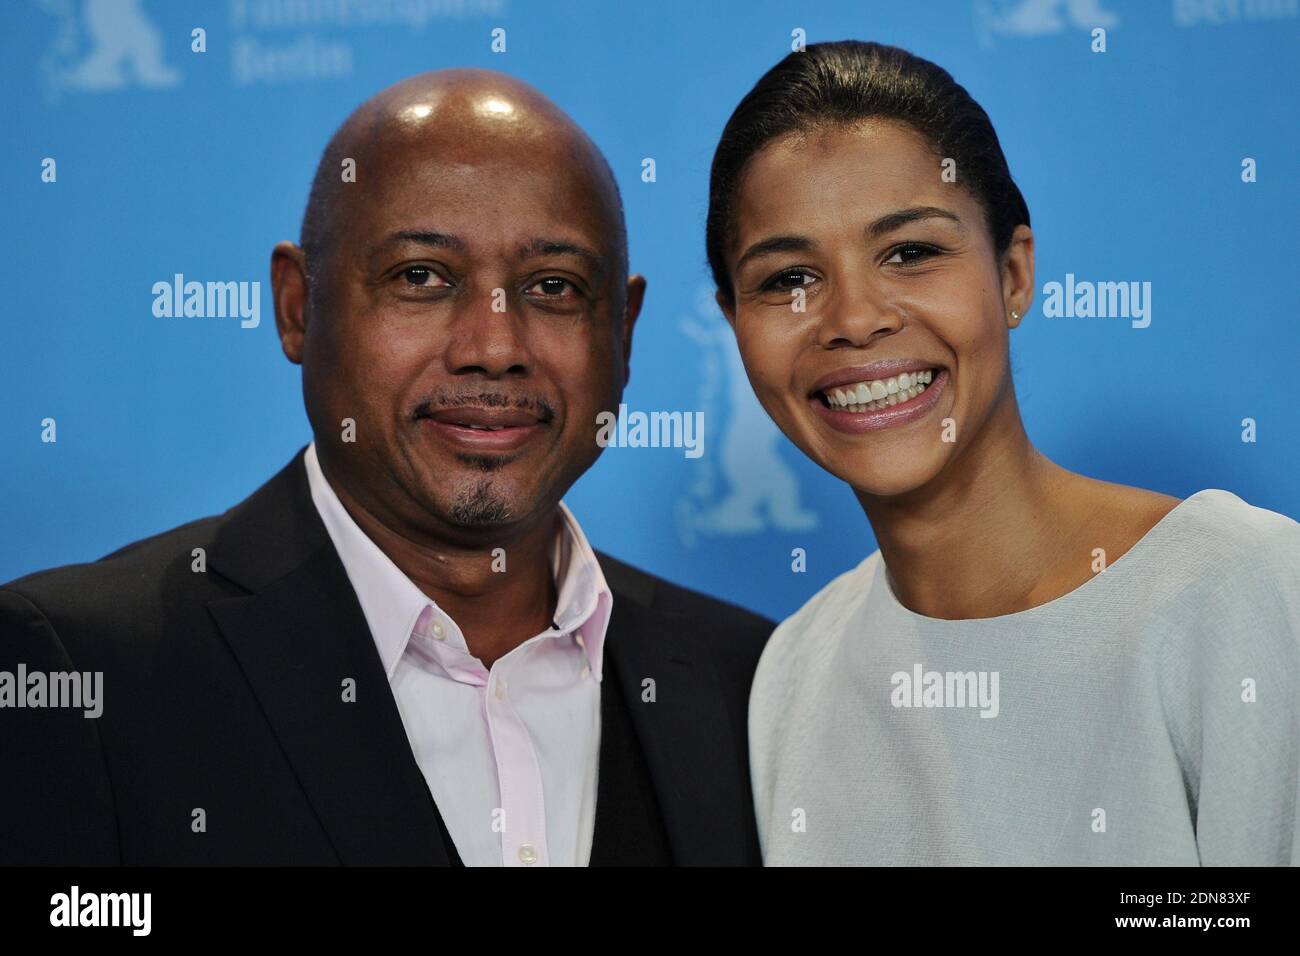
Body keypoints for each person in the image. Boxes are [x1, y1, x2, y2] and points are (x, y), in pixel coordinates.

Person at [0, 69, 771, 866]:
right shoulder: (81, 668)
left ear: (625, 333)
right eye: (421, 277)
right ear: (298, 307)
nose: (495, 348)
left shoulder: (749, 684)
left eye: (553, 287)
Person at [706, 41, 1300, 865]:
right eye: (788, 280)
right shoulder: (793, 673)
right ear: (735, 322)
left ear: (1014, 274)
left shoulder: (1242, 594)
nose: (854, 317)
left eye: (910, 252)